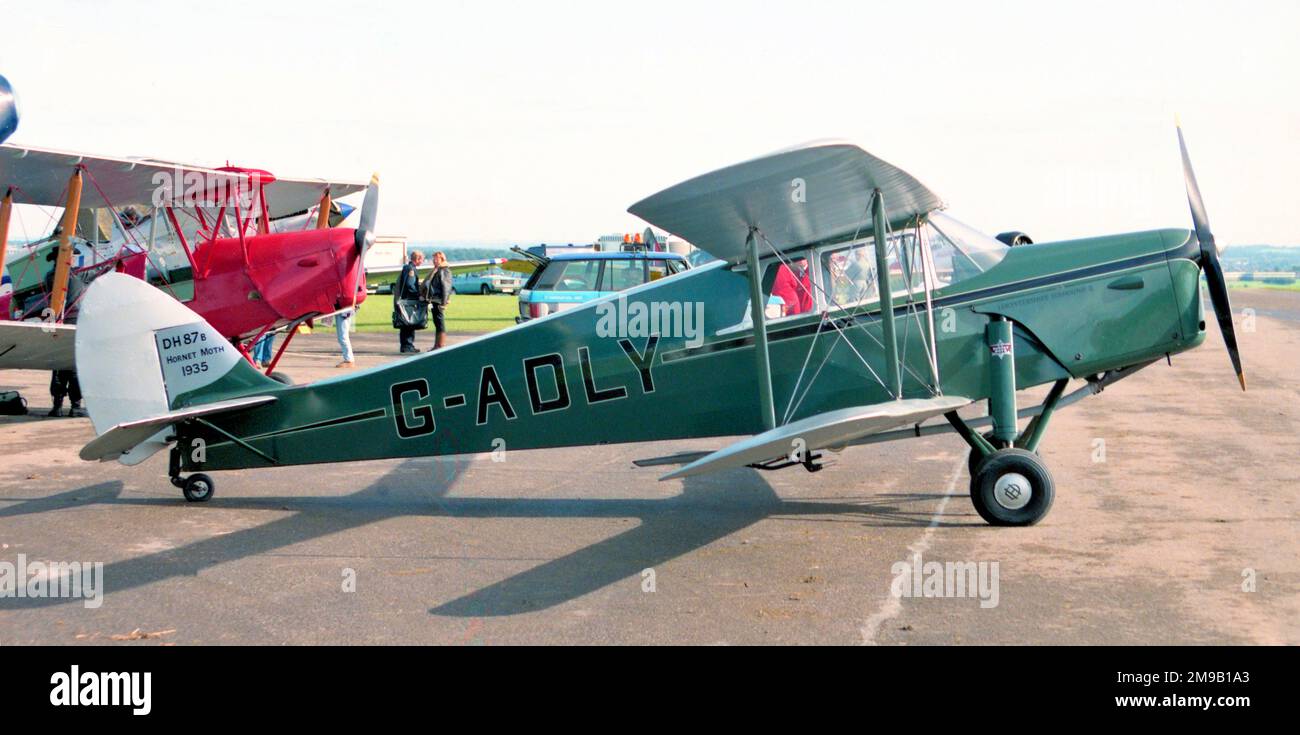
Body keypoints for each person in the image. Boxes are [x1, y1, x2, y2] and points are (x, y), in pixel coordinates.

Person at [422, 251, 453, 351]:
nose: (434, 260)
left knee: (440, 323)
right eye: (433, 259)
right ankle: (437, 344)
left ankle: (440, 344)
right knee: (437, 322)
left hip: (439, 300)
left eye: (436, 259)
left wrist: (443, 303)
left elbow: (446, 287)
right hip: (434, 300)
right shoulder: (437, 270)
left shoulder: (444, 270)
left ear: (442, 259)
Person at [396, 250, 425, 353]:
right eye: (421, 259)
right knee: (409, 322)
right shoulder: (411, 269)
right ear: (417, 259)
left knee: (405, 324)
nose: (422, 262)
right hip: (409, 300)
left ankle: (405, 345)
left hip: (405, 299)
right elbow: (410, 285)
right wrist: (418, 295)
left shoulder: (406, 267)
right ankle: (408, 345)